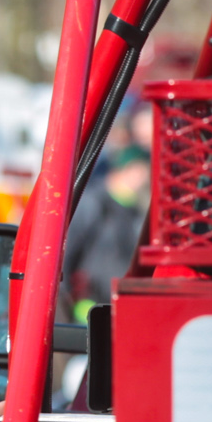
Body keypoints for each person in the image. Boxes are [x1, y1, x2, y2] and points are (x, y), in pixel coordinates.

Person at [63, 103, 152, 319]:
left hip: (124, 310)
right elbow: (67, 256)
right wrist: (67, 308)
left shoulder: (137, 208)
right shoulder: (94, 203)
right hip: (89, 311)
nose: (144, 178)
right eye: (142, 171)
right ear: (128, 169)